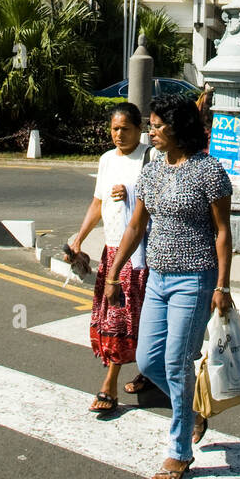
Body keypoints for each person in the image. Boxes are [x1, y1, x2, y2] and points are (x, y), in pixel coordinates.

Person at [104, 94, 233, 479]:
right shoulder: (152, 170)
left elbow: (224, 232)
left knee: (176, 361)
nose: (151, 132)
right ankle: (193, 411)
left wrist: (223, 285)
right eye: (152, 125)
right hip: (157, 278)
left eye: (158, 126)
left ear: (178, 129)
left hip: (195, 280)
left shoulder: (209, 171)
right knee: (148, 359)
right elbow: (135, 227)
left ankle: (179, 452)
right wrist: (113, 272)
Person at [66, 104, 152, 413]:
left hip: (140, 252)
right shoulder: (105, 160)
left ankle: (110, 386)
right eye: (114, 129)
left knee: (130, 319)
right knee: (117, 317)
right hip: (112, 249)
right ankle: (148, 372)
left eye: (125, 129)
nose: (119, 135)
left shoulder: (149, 156)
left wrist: (130, 190)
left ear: (138, 129)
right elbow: (97, 203)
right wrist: (79, 238)